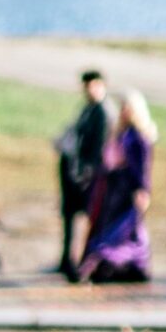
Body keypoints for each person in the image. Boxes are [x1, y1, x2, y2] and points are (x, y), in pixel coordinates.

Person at [78, 91, 157, 285]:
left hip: (127, 190)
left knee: (125, 231)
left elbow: (143, 167)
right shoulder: (121, 133)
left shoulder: (138, 138)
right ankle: (114, 266)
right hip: (113, 189)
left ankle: (127, 264)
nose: (123, 112)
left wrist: (143, 189)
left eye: (127, 108)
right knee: (114, 229)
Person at [53, 69, 109, 281]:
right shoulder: (87, 109)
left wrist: (86, 173)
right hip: (74, 172)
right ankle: (67, 260)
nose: (88, 90)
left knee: (88, 219)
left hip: (88, 177)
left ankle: (85, 262)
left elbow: (98, 148)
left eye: (92, 85)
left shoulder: (103, 112)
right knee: (69, 216)